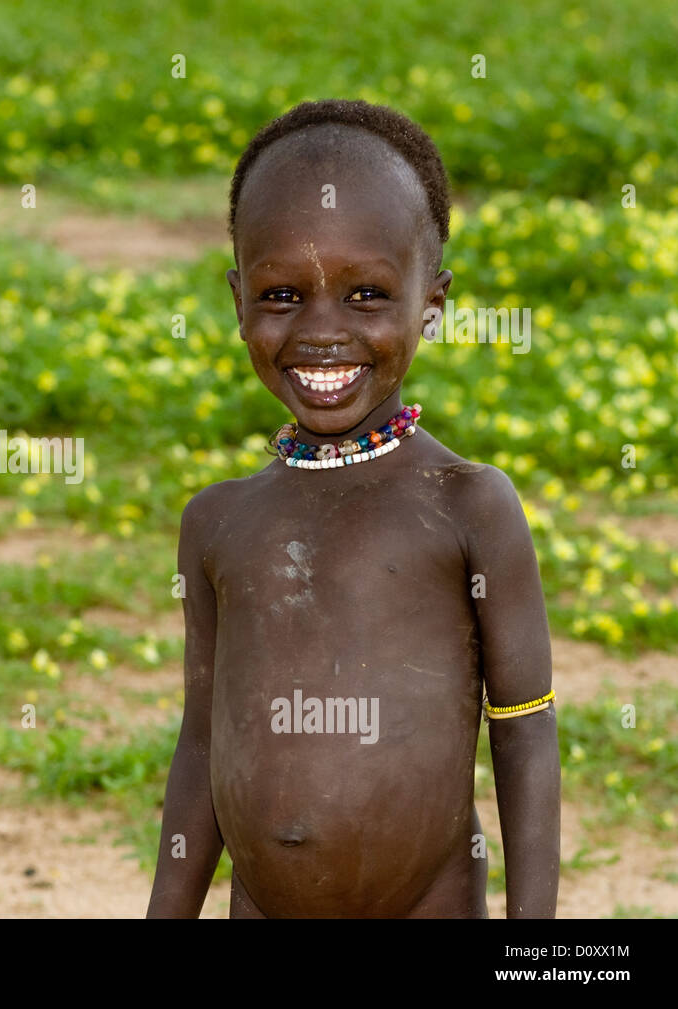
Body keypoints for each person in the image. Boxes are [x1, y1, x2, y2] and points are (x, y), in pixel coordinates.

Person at [146, 99, 560, 918]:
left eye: (368, 294)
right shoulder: (218, 521)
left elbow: (524, 730)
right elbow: (203, 743)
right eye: (282, 295)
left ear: (433, 302)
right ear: (237, 301)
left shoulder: (469, 504)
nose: (322, 331)